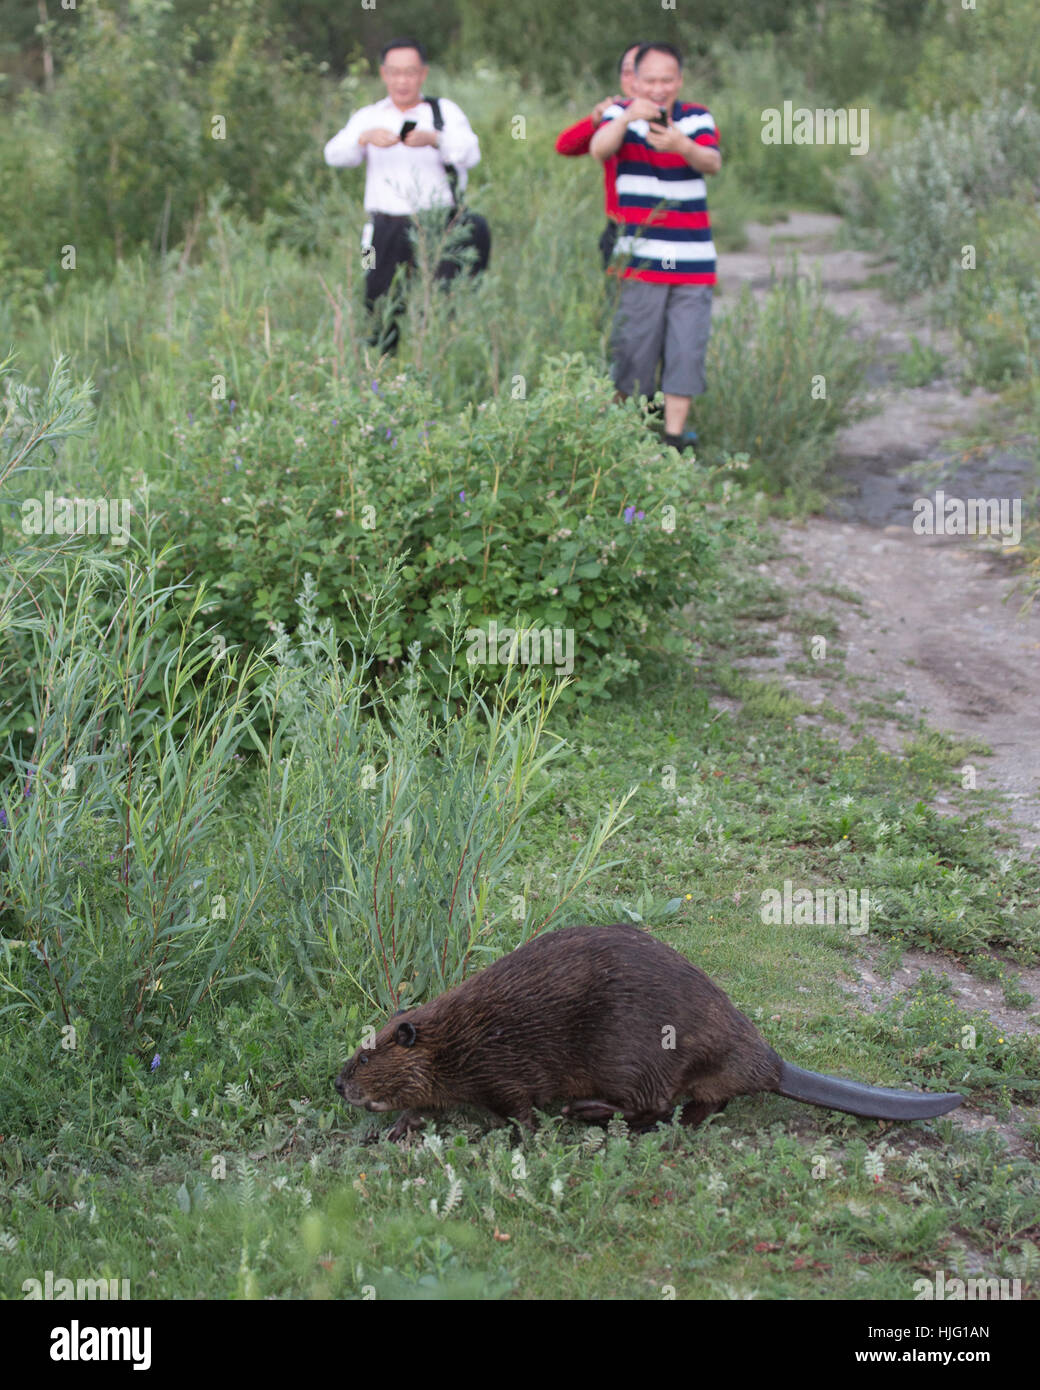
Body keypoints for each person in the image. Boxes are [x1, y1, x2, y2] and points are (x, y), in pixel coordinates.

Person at [590, 42, 721, 452]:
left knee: (686, 349)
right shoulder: (618, 116)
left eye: (668, 80)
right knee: (633, 352)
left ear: (679, 81)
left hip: (693, 261)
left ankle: (674, 439)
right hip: (640, 262)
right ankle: (628, 438)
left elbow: (712, 161)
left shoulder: (696, 117)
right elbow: (598, 149)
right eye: (651, 80)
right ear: (634, 81)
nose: (660, 88)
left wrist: (682, 146)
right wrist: (629, 115)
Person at [323, 38, 483, 353]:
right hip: (381, 228)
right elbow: (333, 154)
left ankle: (439, 365)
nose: (402, 80)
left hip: (437, 226)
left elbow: (471, 153)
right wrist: (363, 139)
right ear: (383, 74)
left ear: (423, 73)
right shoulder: (369, 116)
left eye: (410, 72)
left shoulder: (443, 112)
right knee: (377, 297)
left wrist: (435, 139)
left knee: (440, 303)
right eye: (395, 72)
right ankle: (381, 369)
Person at [554, 42, 645, 267]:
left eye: (642, 71)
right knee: (619, 298)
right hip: (620, 225)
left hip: (666, 227)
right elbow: (565, 146)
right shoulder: (614, 117)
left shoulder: (681, 117)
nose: (633, 79)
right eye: (627, 72)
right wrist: (596, 121)